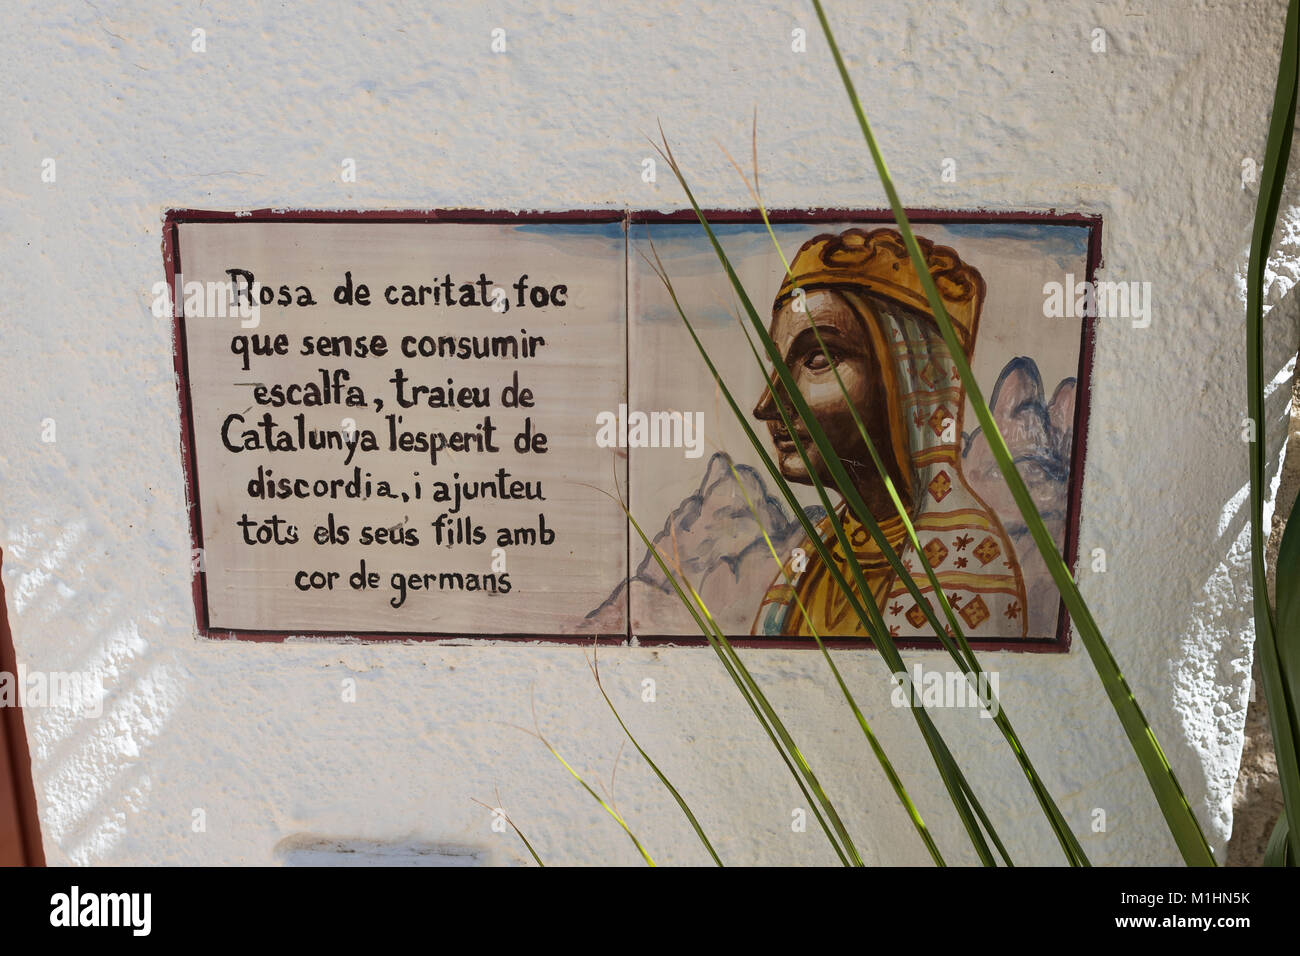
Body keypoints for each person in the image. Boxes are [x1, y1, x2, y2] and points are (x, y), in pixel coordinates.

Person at [750, 227, 1028, 640]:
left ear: (908, 380)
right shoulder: (813, 559)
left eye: (817, 358)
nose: (766, 405)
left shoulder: (968, 561)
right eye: (776, 364)